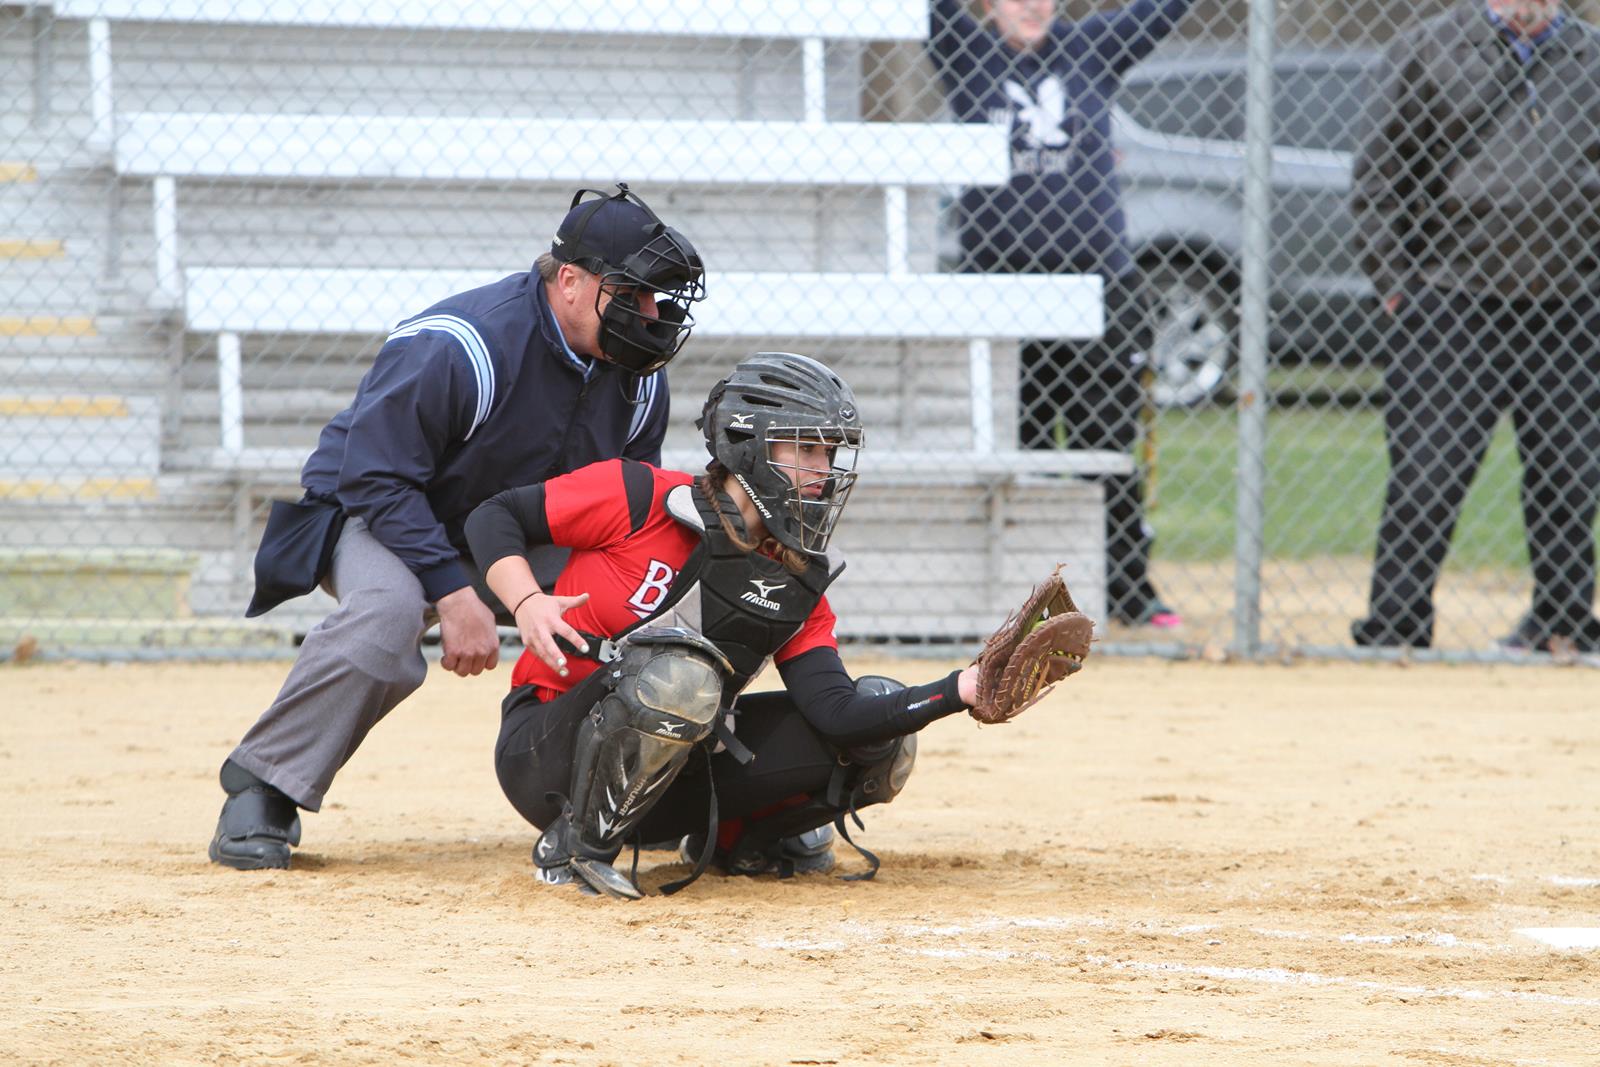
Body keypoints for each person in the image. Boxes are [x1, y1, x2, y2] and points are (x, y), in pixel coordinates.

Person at [209, 184, 707, 870]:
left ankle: (672, 799)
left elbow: (626, 507)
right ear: (569, 281)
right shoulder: (463, 345)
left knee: (656, 603)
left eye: (658, 298)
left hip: (516, 533)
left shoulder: (638, 375)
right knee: (386, 618)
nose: (650, 314)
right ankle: (262, 785)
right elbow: (373, 475)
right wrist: (451, 589)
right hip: (385, 513)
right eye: (632, 293)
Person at [463, 353, 985, 898]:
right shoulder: (640, 496)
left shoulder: (794, 577)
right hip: (546, 760)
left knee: (886, 735)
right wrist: (526, 601)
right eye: (805, 449)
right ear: (748, 445)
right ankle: (575, 850)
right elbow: (494, 516)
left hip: (677, 781)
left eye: (829, 454)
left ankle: (745, 842)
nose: (823, 472)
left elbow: (839, 714)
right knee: (679, 675)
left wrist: (960, 691)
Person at [928, 0, 1194, 629]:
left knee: (1107, 441)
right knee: (1021, 439)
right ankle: (1028, 596)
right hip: (1003, 286)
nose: (1036, 7)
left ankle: (1127, 587)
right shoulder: (965, 50)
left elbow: (1160, 13)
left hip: (1097, 284)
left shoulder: (1090, 46)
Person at [1350, 0, 1600, 653]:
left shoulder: (1590, 56)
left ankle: (1563, 622)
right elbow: (1378, 174)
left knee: (1569, 468)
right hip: (1450, 297)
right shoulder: (1428, 48)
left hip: (1569, 300)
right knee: (1429, 469)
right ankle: (1397, 625)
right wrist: (1397, 286)